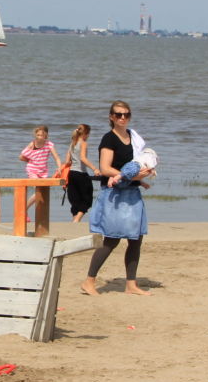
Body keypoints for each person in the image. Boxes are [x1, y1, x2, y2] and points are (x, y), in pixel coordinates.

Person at [82, 101, 155, 297]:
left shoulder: (133, 137)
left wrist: (142, 176)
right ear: (111, 117)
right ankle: (89, 281)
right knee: (111, 240)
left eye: (126, 114)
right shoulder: (109, 139)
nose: (123, 118)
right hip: (114, 194)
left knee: (136, 239)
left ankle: (131, 284)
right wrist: (133, 176)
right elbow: (105, 168)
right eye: (118, 114)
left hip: (132, 193)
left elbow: (135, 163)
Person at [20, 125, 62, 216]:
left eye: (41, 135)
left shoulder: (49, 145)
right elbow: (21, 157)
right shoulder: (32, 144)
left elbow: (57, 158)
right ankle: (24, 210)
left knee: (42, 193)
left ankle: (36, 214)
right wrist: (31, 161)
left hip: (43, 171)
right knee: (38, 192)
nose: (39, 137)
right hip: (32, 170)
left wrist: (59, 168)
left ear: (46, 136)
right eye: (38, 135)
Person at [64, 124, 100, 224]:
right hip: (81, 174)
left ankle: (74, 221)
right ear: (86, 134)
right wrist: (95, 168)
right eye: (88, 134)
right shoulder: (83, 143)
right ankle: (76, 220)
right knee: (87, 199)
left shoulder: (72, 143)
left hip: (71, 174)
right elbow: (83, 158)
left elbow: (67, 161)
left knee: (75, 199)